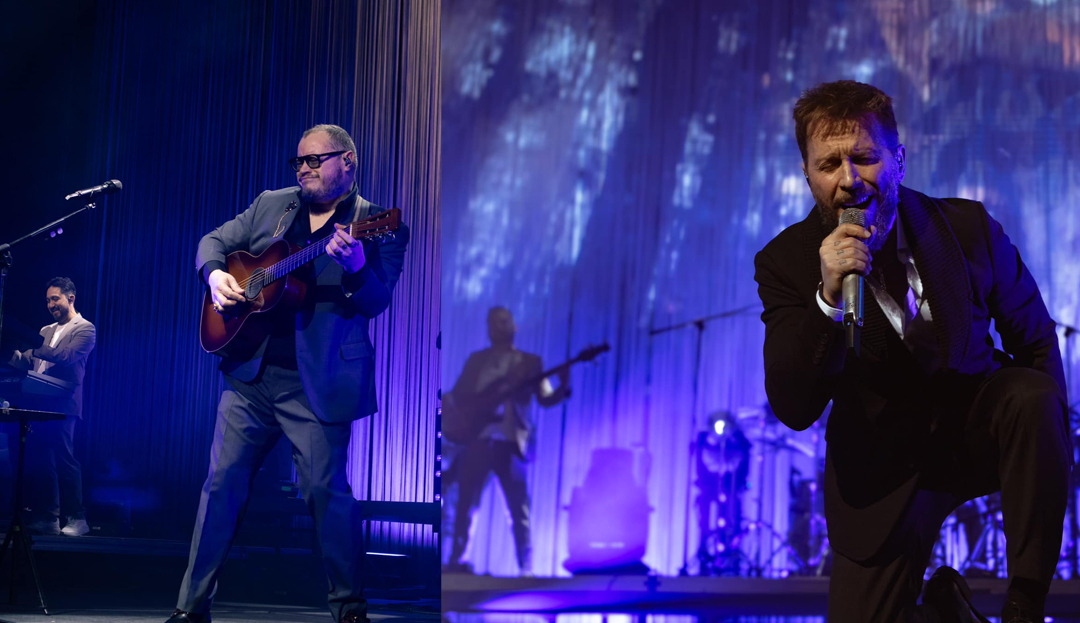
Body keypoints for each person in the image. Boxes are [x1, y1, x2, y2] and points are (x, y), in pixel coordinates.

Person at [754, 80, 1071, 623]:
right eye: (829, 164)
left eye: (865, 158)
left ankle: (1024, 606)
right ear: (807, 174)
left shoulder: (968, 228)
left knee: (1031, 394)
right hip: (881, 464)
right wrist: (828, 299)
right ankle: (948, 614)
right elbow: (794, 407)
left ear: (898, 161)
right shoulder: (785, 261)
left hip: (978, 431)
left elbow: (1036, 340)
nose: (848, 180)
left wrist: (1052, 449)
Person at [167, 124, 408, 623]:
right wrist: (215, 275)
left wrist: (357, 267)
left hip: (315, 384)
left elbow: (377, 301)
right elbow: (213, 241)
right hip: (249, 377)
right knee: (220, 487)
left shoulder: (376, 223)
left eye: (314, 160)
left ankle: (350, 610)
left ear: (348, 160)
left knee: (325, 493)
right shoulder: (271, 204)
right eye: (299, 161)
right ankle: (190, 609)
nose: (303, 169)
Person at [444, 306, 570, 576]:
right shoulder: (477, 360)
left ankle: (526, 569)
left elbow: (545, 398)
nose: (498, 327)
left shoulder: (530, 363)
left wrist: (563, 386)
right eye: (493, 323)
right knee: (467, 504)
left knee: (518, 507)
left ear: (514, 326)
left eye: (503, 322)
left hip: (512, 443)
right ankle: (457, 562)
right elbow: (460, 396)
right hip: (479, 439)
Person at [7, 277, 95, 537]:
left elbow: (66, 357)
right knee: (43, 460)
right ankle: (49, 517)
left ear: (71, 298)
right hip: (41, 402)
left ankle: (77, 517)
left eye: (55, 298)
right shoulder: (45, 330)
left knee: (64, 459)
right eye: (47, 300)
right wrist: (10, 352)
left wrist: (35, 344)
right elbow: (30, 362)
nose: (50, 304)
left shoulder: (85, 328)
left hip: (64, 404)